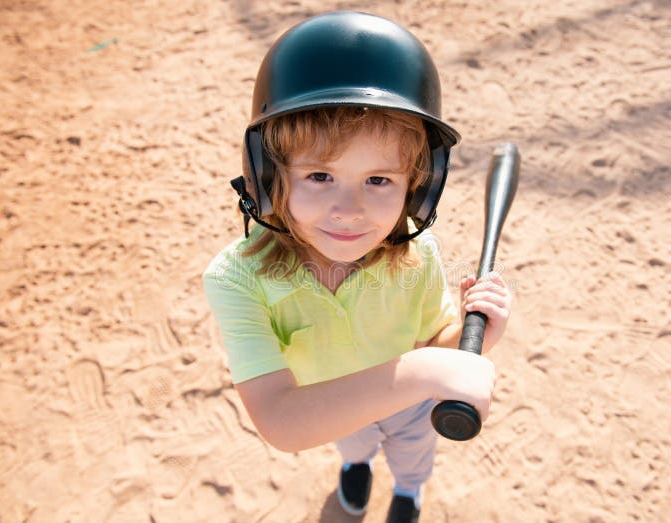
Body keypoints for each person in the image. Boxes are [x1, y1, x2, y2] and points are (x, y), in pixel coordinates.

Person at [203, 11, 512, 523]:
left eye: (379, 181)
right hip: (333, 406)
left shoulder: (418, 254)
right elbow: (281, 420)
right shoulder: (236, 278)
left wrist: (478, 334)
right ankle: (359, 466)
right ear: (266, 175)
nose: (350, 210)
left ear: (418, 185)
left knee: (414, 458)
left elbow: (434, 344)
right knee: (353, 447)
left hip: (413, 408)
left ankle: (408, 492)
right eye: (320, 175)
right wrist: (422, 371)